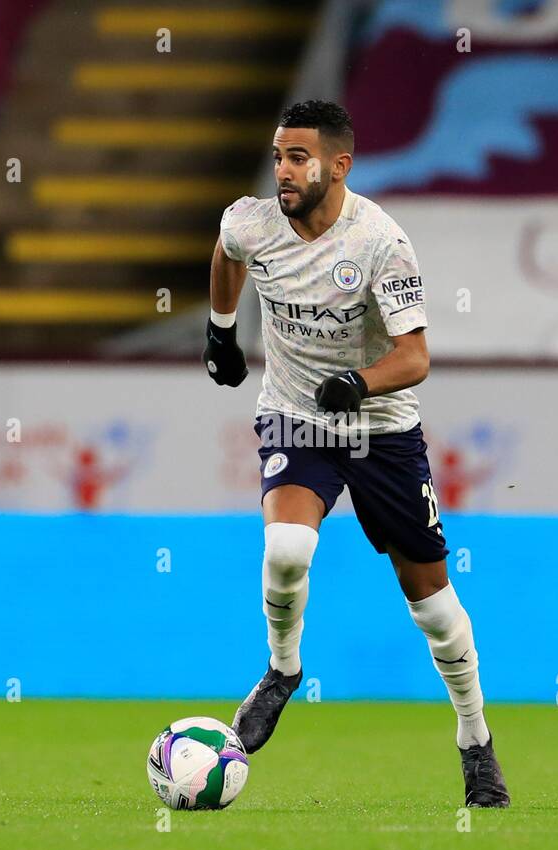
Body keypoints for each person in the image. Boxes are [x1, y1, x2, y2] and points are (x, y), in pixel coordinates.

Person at [201, 100, 509, 807]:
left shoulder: (380, 243)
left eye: (299, 158)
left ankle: (475, 739)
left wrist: (359, 382)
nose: (283, 170)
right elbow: (227, 254)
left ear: (339, 166)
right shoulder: (251, 221)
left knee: (432, 606)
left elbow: (416, 356)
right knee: (284, 552)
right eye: (279, 155)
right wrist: (221, 331)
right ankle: (281, 671)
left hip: (383, 432)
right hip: (295, 418)